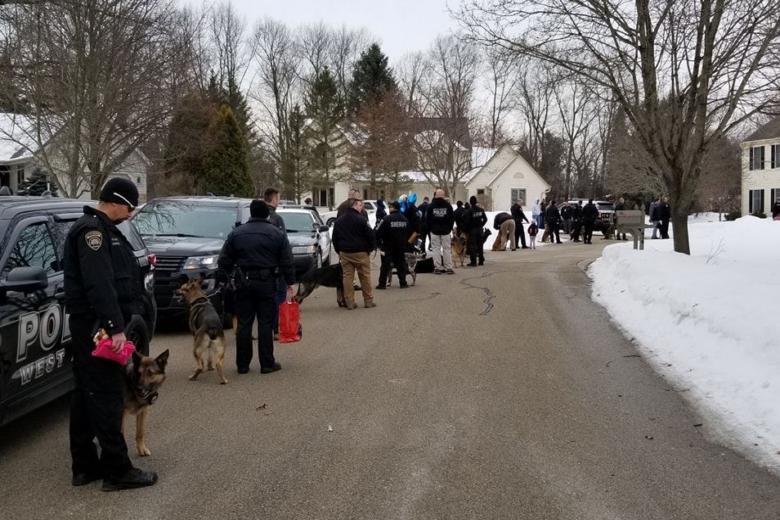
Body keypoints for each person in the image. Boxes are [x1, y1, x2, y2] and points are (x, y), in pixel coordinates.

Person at [63, 177, 158, 491]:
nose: (130, 213)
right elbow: (100, 283)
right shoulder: (93, 232)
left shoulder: (100, 229)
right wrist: (114, 328)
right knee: (105, 396)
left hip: (91, 326)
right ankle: (117, 470)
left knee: (84, 395)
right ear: (116, 202)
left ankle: (85, 465)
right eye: (129, 207)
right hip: (97, 327)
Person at [218, 200, 295, 375]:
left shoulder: (236, 234)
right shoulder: (277, 234)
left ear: (251, 213)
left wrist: (223, 279)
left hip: (243, 282)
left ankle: (243, 364)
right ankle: (267, 363)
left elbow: (224, 260)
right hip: (267, 282)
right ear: (267, 214)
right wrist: (290, 281)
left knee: (244, 323)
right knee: (265, 323)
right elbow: (287, 260)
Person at [332, 197, 376, 309]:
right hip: (361, 252)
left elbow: (335, 238)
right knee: (365, 276)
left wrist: (339, 251)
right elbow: (370, 235)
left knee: (347, 277)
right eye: (361, 205)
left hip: (345, 252)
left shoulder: (339, 221)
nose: (362, 208)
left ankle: (349, 302)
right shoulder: (362, 220)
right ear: (355, 205)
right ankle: (368, 301)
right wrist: (370, 248)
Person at [264, 188, 288, 342]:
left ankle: (263, 329)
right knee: (278, 298)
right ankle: (276, 329)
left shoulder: (253, 218)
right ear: (273, 200)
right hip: (276, 269)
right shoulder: (276, 219)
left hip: (257, 270)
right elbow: (283, 246)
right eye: (278, 199)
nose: (278, 202)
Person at [375, 201, 410, 289]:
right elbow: (408, 232)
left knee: (385, 266)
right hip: (400, 246)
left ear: (393, 208)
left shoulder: (386, 219)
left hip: (388, 246)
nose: (389, 208)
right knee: (401, 265)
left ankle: (382, 284)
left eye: (390, 206)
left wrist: (378, 242)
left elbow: (378, 232)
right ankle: (403, 282)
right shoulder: (404, 219)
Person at [426, 189, 455, 274]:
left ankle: (437, 267)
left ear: (436, 196)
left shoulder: (431, 206)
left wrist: (430, 229)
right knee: (447, 249)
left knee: (436, 249)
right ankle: (448, 267)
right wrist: (449, 228)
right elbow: (452, 219)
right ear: (443, 196)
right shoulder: (448, 206)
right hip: (446, 231)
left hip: (434, 231)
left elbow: (428, 219)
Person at [463, 195, 487, 266]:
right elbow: (485, 219)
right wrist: (481, 225)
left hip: (472, 230)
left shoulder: (469, 211)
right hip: (480, 230)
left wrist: (466, 229)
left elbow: (467, 222)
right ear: (476, 202)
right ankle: (481, 260)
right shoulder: (481, 210)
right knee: (480, 245)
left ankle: (473, 262)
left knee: (472, 246)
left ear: (470, 202)